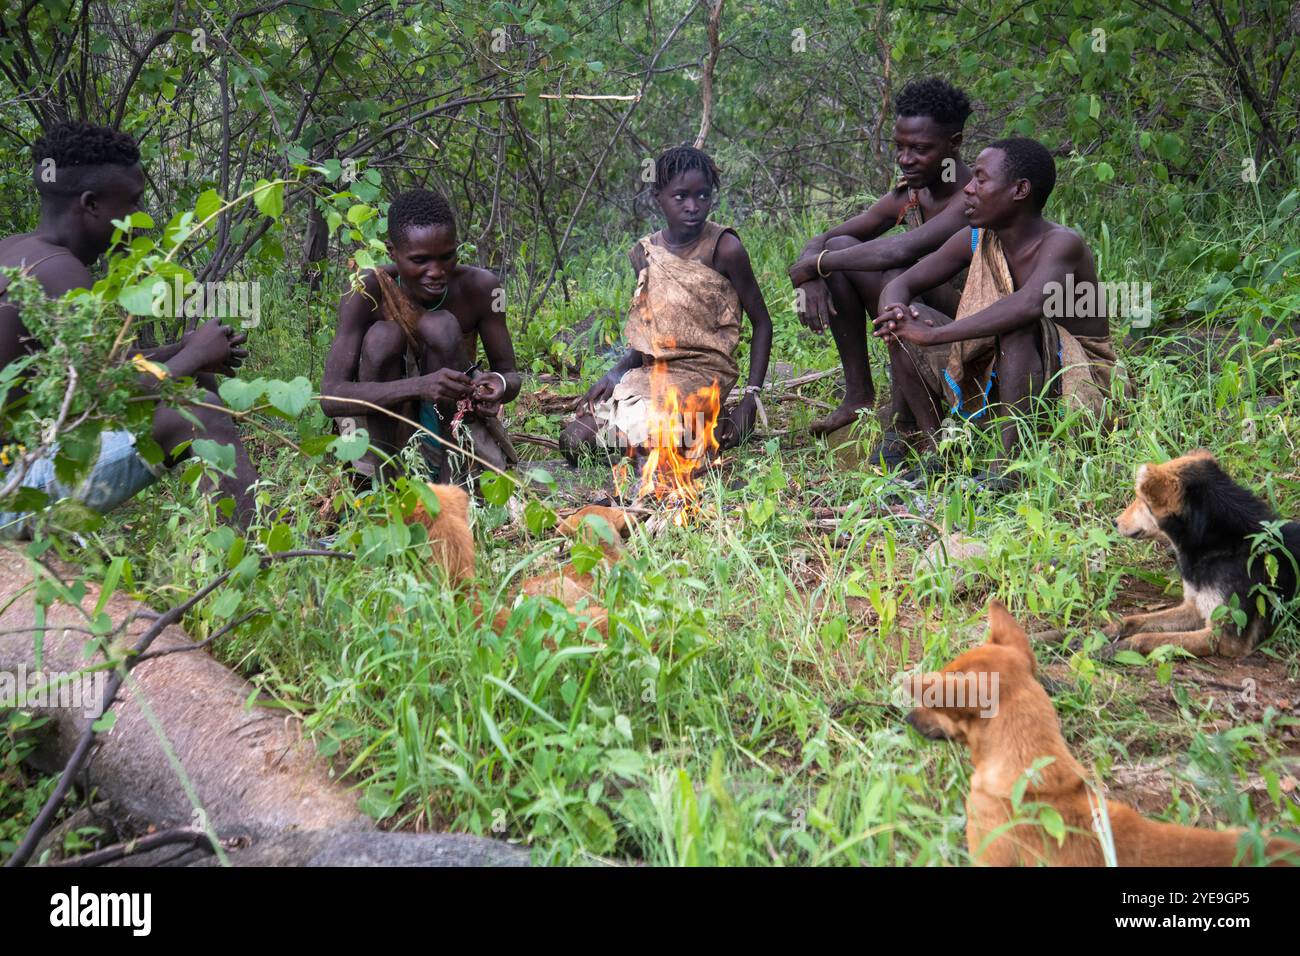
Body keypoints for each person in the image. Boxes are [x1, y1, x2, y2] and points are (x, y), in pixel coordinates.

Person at [0, 121, 258, 536]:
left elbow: (92, 372)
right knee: (200, 412)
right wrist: (192, 356)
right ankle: (263, 556)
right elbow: (107, 392)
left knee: (196, 379)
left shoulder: (16, 248)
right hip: (11, 492)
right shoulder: (61, 271)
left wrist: (182, 349)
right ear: (91, 204)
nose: (141, 216)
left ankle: (237, 537)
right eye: (134, 201)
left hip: (17, 466)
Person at [873, 137, 1119, 479]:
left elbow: (1028, 304)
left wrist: (936, 335)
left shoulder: (1062, 244)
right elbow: (902, 284)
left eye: (981, 180)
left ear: (1019, 190)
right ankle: (939, 450)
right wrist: (895, 314)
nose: (969, 190)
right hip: (1007, 371)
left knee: (1017, 323)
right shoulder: (978, 237)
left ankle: (1007, 470)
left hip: (1077, 383)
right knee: (908, 320)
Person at [788, 78, 974, 454]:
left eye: (920, 149)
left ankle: (910, 427)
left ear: (953, 144)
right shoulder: (912, 193)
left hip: (973, 322)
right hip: (917, 310)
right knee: (845, 252)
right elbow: (831, 237)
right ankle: (858, 395)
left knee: (892, 276)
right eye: (900, 147)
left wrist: (815, 265)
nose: (905, 159)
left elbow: (900, 250)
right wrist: (811, 270)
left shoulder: (971, 197)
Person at [559, 145, 772, 464]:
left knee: (655, 447)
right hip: (653, 374)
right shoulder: (646, 254)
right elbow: (649, 336)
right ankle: (690, 435)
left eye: (703, 196)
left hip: (702, 374)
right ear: (658, 196)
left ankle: (706, 426)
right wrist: (615, 374)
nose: (693, 206)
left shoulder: (725, 249)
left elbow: (762, 323)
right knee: (574, 440)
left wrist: (751, 399)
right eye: (681, 196)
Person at [320, 189, 520, 483]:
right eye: (420, 260)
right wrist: (419, 386)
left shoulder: (483, 287)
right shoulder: (365, 291)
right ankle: (385, 485)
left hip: (449, 423)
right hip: (384, 428)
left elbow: (510, 376)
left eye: (447, 256)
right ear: (392, 252)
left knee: (441, 326)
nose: (437, 271)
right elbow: (330, 397)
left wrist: (496, 385)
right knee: (383, 336)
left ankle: (452, 486)